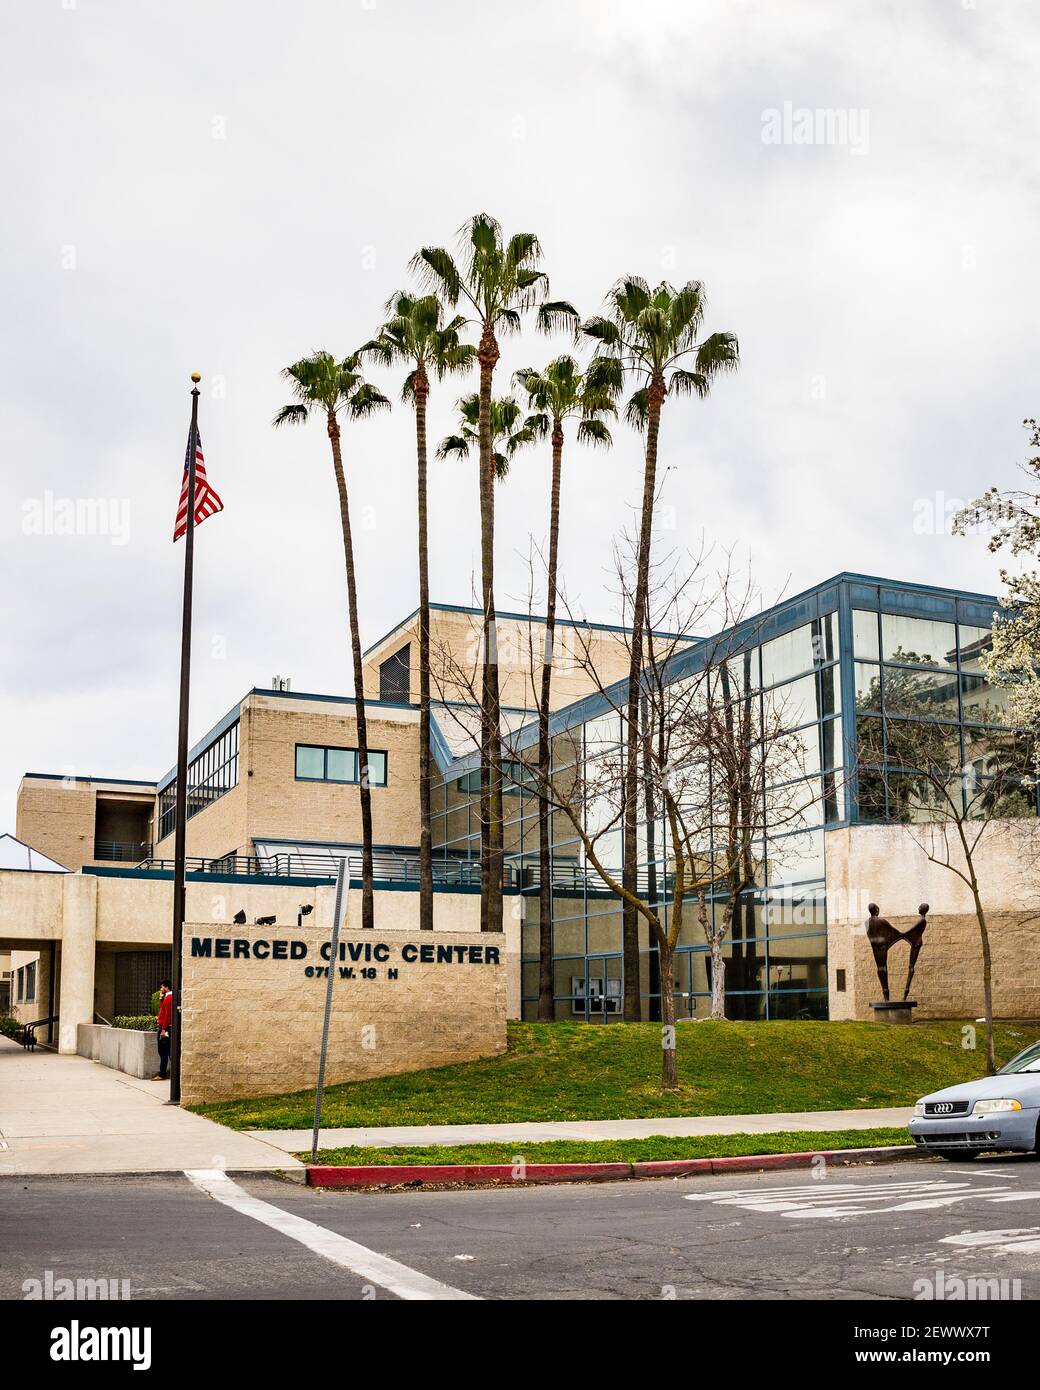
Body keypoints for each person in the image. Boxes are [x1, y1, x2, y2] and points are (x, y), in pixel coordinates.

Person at [153, 980, 173, 1082]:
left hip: (165, 1028)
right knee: (167, 1051)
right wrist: (161, 999)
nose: (161, 989)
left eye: (162, 987)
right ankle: (166, 1073)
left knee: (163, 1051)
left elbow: (167, 1015)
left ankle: (162, 1074)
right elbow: (163, 1010)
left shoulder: (169, 998)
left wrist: (163, 1030)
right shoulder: (167, 997)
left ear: (167, 987)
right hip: (165, 1027)